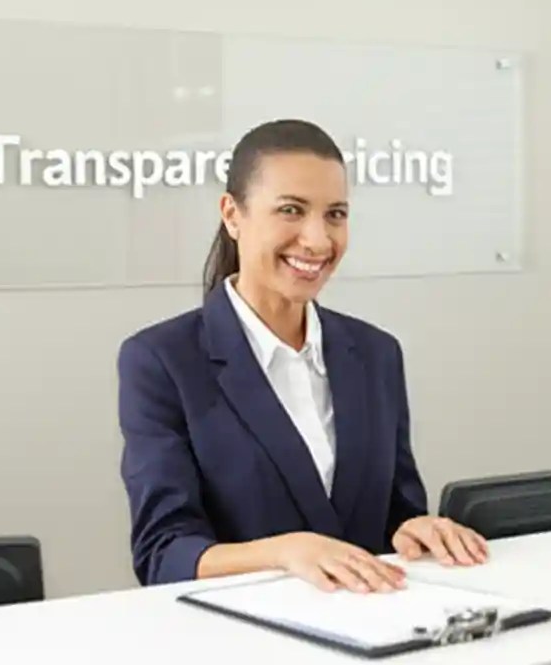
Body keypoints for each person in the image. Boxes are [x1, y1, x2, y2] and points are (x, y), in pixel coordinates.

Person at [117, 119, 487, 591]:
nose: (318, 239)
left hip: (371, 633)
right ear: (232, 215)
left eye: (335, 214)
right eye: (291, 210)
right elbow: (163, 553)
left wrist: (413, 530)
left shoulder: (376, 354)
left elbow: (395, 513)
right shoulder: (161, 361)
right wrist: (287, 551)